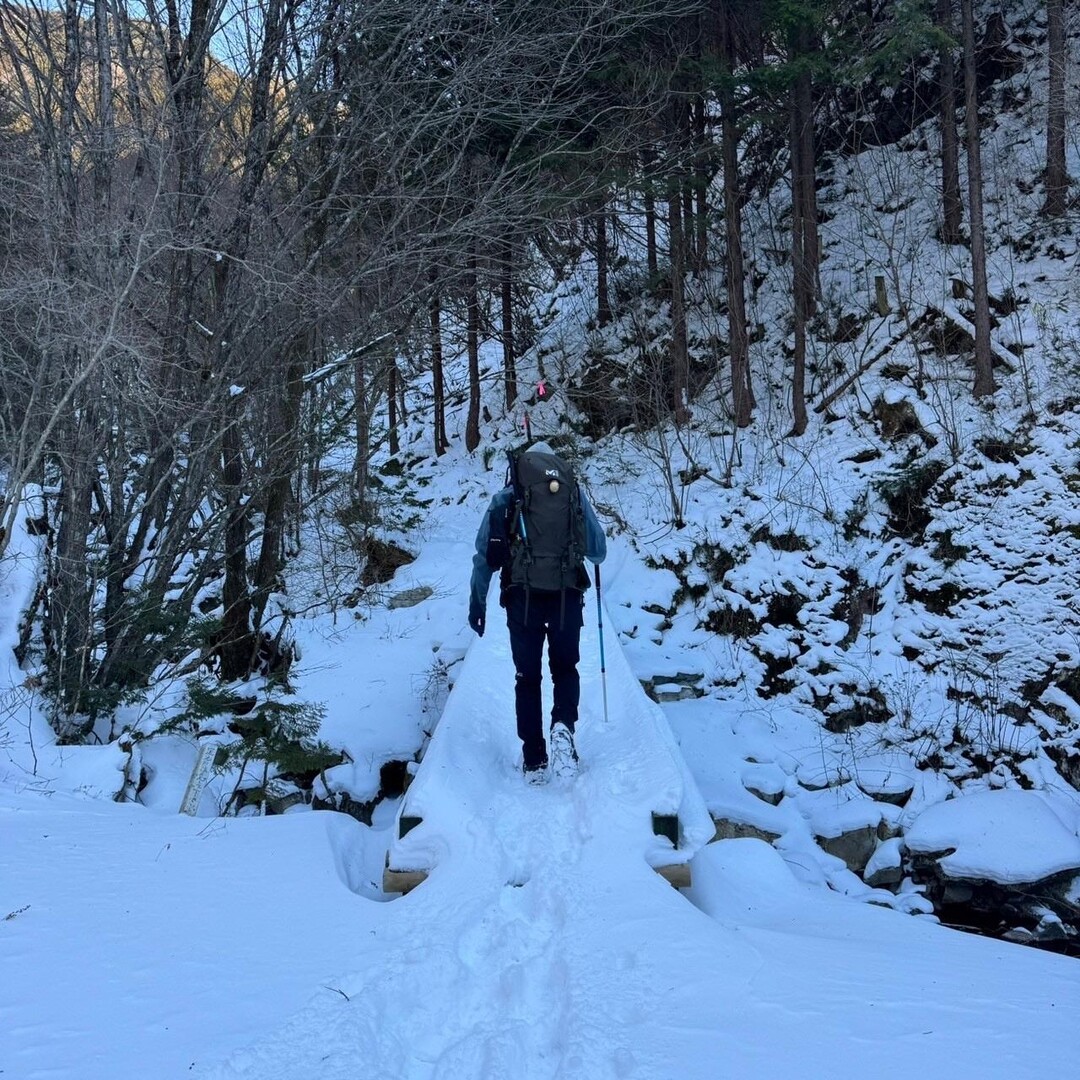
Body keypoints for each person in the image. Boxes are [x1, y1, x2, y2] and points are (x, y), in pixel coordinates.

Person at [468, 441, 607, 782]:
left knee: (526, 678)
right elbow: (598, 551)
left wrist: (478, 602)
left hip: (522, 598)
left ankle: (534, 759)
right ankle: (563, 725)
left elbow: (485, 554)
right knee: (565, 668)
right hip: (566, 597)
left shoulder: (508, 496)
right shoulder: (572, 493)